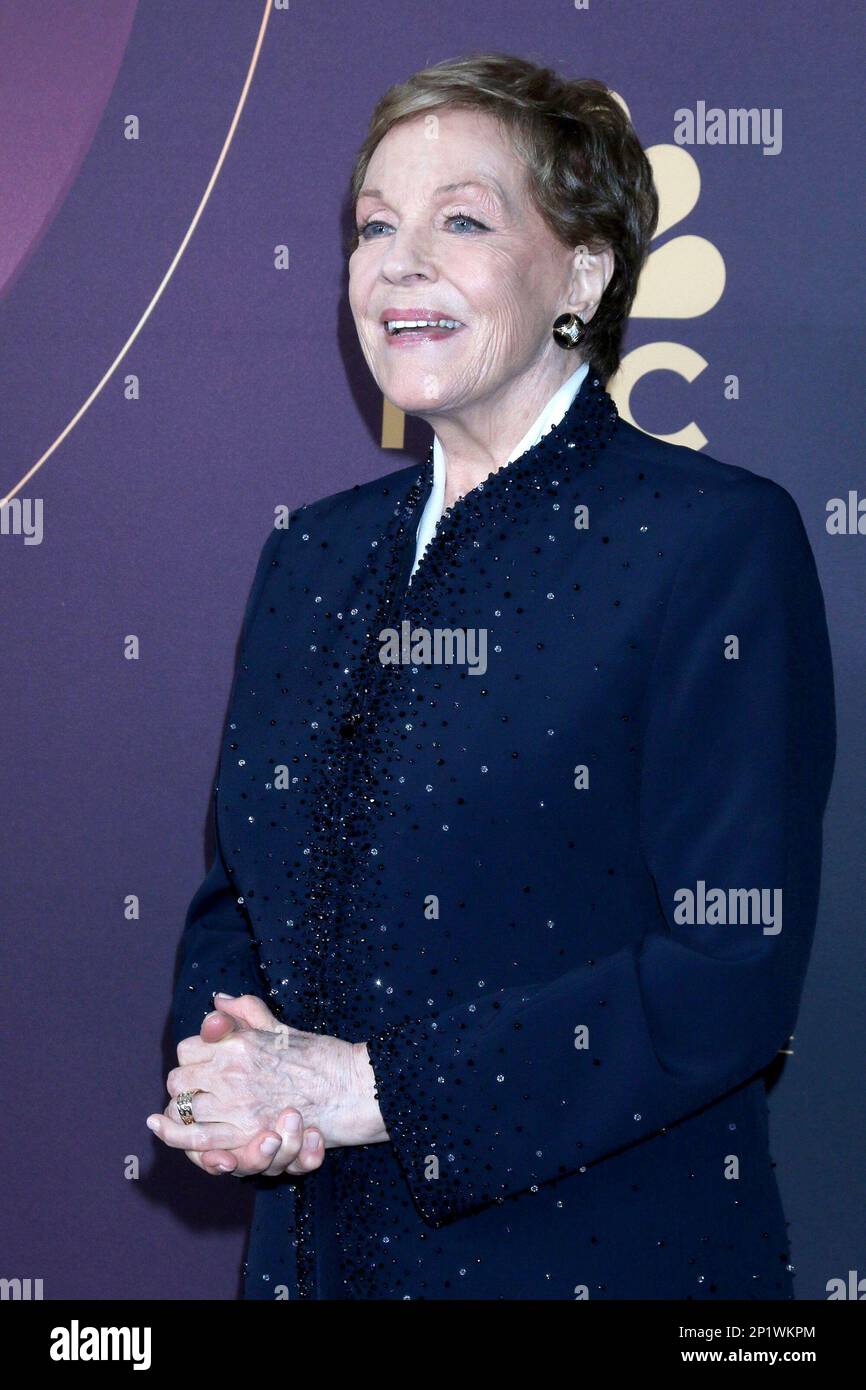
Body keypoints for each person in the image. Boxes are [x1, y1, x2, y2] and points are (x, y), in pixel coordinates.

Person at [147, 53, 836, 1300]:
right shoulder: (310, 554)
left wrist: (361, 1091)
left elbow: (728, 977)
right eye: (373, 227)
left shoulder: (706, 541)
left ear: (582, 271)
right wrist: (231, 1074)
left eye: (460, 220)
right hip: (309, 1268)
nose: (397, 264)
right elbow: (236, 902)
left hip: (599, 1263)